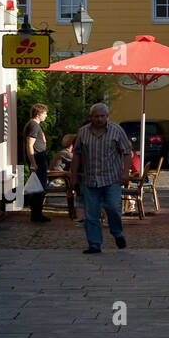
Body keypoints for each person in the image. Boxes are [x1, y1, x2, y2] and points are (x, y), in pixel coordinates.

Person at [69, 103, 132, 254]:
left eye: (102, 116)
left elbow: (127, 152)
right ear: (91, 117)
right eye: (96, 116)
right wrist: (73, 176)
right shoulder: (83, 132)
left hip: (111, 178)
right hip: (90, 179)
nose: (99, 119)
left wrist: (125, 172)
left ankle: (117, 233)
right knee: (91, 213)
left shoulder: (116, 130)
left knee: (113, 208)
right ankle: (94, 244)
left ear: (107, 116)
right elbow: (77, 154)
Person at [22, 103, 50, 223]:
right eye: (45, 113)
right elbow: (29, 145)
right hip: (37, 161)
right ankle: (36, 215)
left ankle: (37, 214)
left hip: (39, 160)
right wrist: (33, 163)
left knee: (36, 187)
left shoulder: (34, 125)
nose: (46, 116)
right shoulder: (34, 125)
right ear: (38, 114)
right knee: (39, 188)